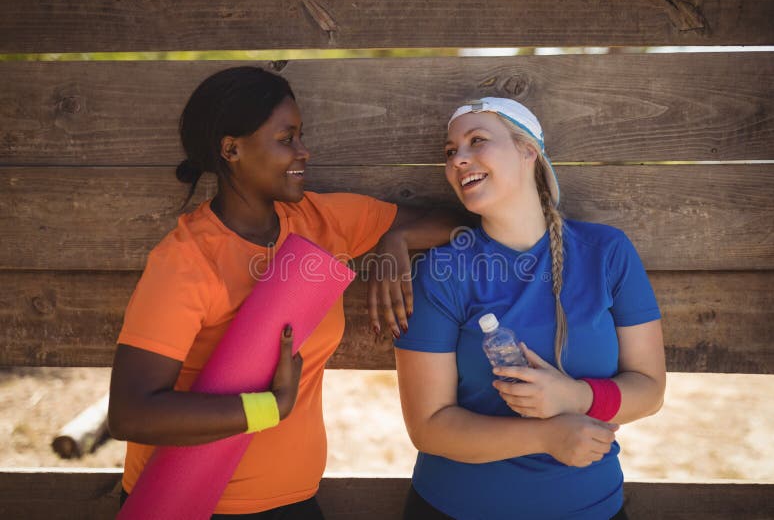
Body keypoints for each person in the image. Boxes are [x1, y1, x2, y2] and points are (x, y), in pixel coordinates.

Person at [108, 66, 459, 518]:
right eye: (286, 138)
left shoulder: (321, 223)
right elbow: (131, 413)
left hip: (294, 503)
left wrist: (397, 239)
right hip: (189, 502)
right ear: (231, 149)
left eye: (301, 135)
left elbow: (461, 223)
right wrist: (268, 408)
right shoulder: (187, 261)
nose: (303, 151)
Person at [394, 97, 666, 520]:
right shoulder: (441, 271)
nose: (459, 159)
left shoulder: (607, 253)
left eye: (476, 141)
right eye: (451, 152)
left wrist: (576, 397)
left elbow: (649, 390)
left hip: (591, 508)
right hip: (456, 508)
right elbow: (428, 427)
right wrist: (548, 435)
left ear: (528, 151)